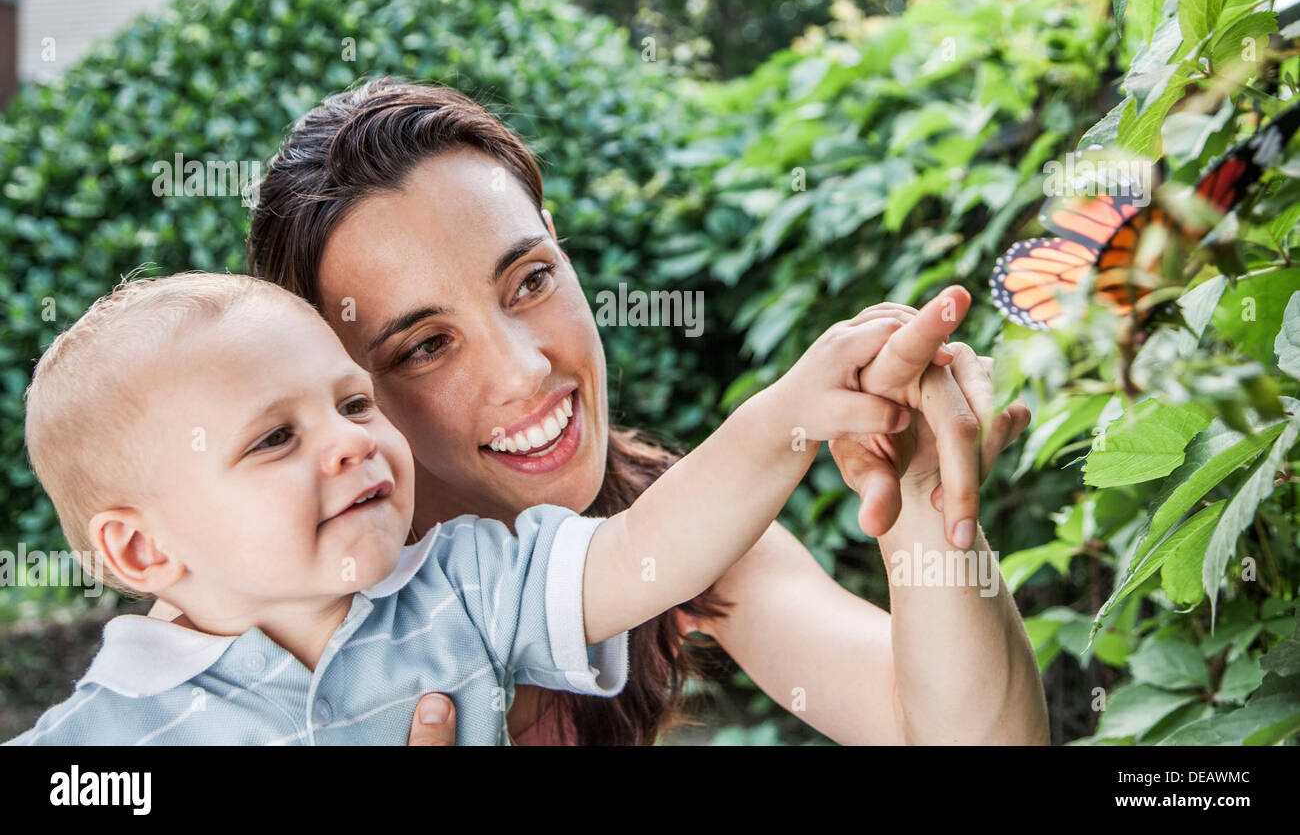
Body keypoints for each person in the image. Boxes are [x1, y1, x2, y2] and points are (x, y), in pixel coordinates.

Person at [241, 78, 1046, 745]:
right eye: (424, 346)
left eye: (530, 280)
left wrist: (923, 499)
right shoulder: (269, 621)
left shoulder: (678, 525)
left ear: (560, 246)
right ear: (335, 382)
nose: (526, 374)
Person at [9, 270, 935, 744]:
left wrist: (790, 413)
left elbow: (653, 545)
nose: (349, 440)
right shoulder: (108, 735)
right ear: (140, 553)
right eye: (274, 439)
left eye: (353, 403)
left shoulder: (466, 591)